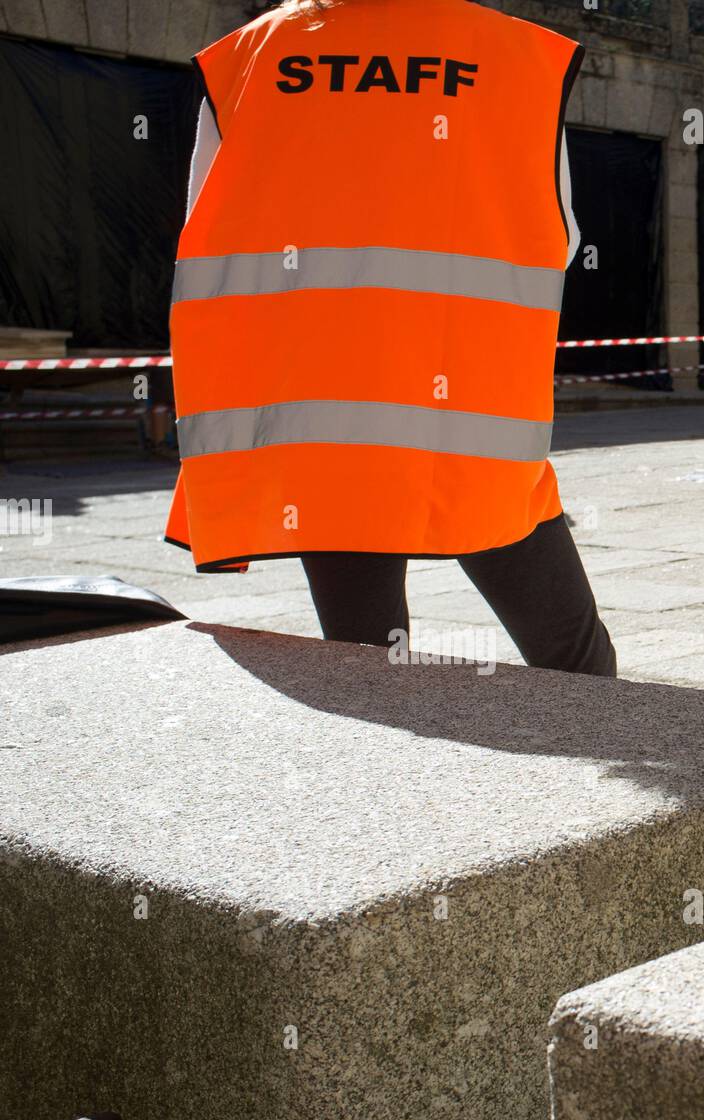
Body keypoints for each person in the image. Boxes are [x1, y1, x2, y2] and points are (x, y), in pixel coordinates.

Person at [166, 0, 616, 677]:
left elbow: (209, 228)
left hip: (326, 418)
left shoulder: (252, 57)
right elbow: (561, 238)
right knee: (572, 655)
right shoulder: (517, 58)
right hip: (471, 413)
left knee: (369, 669)